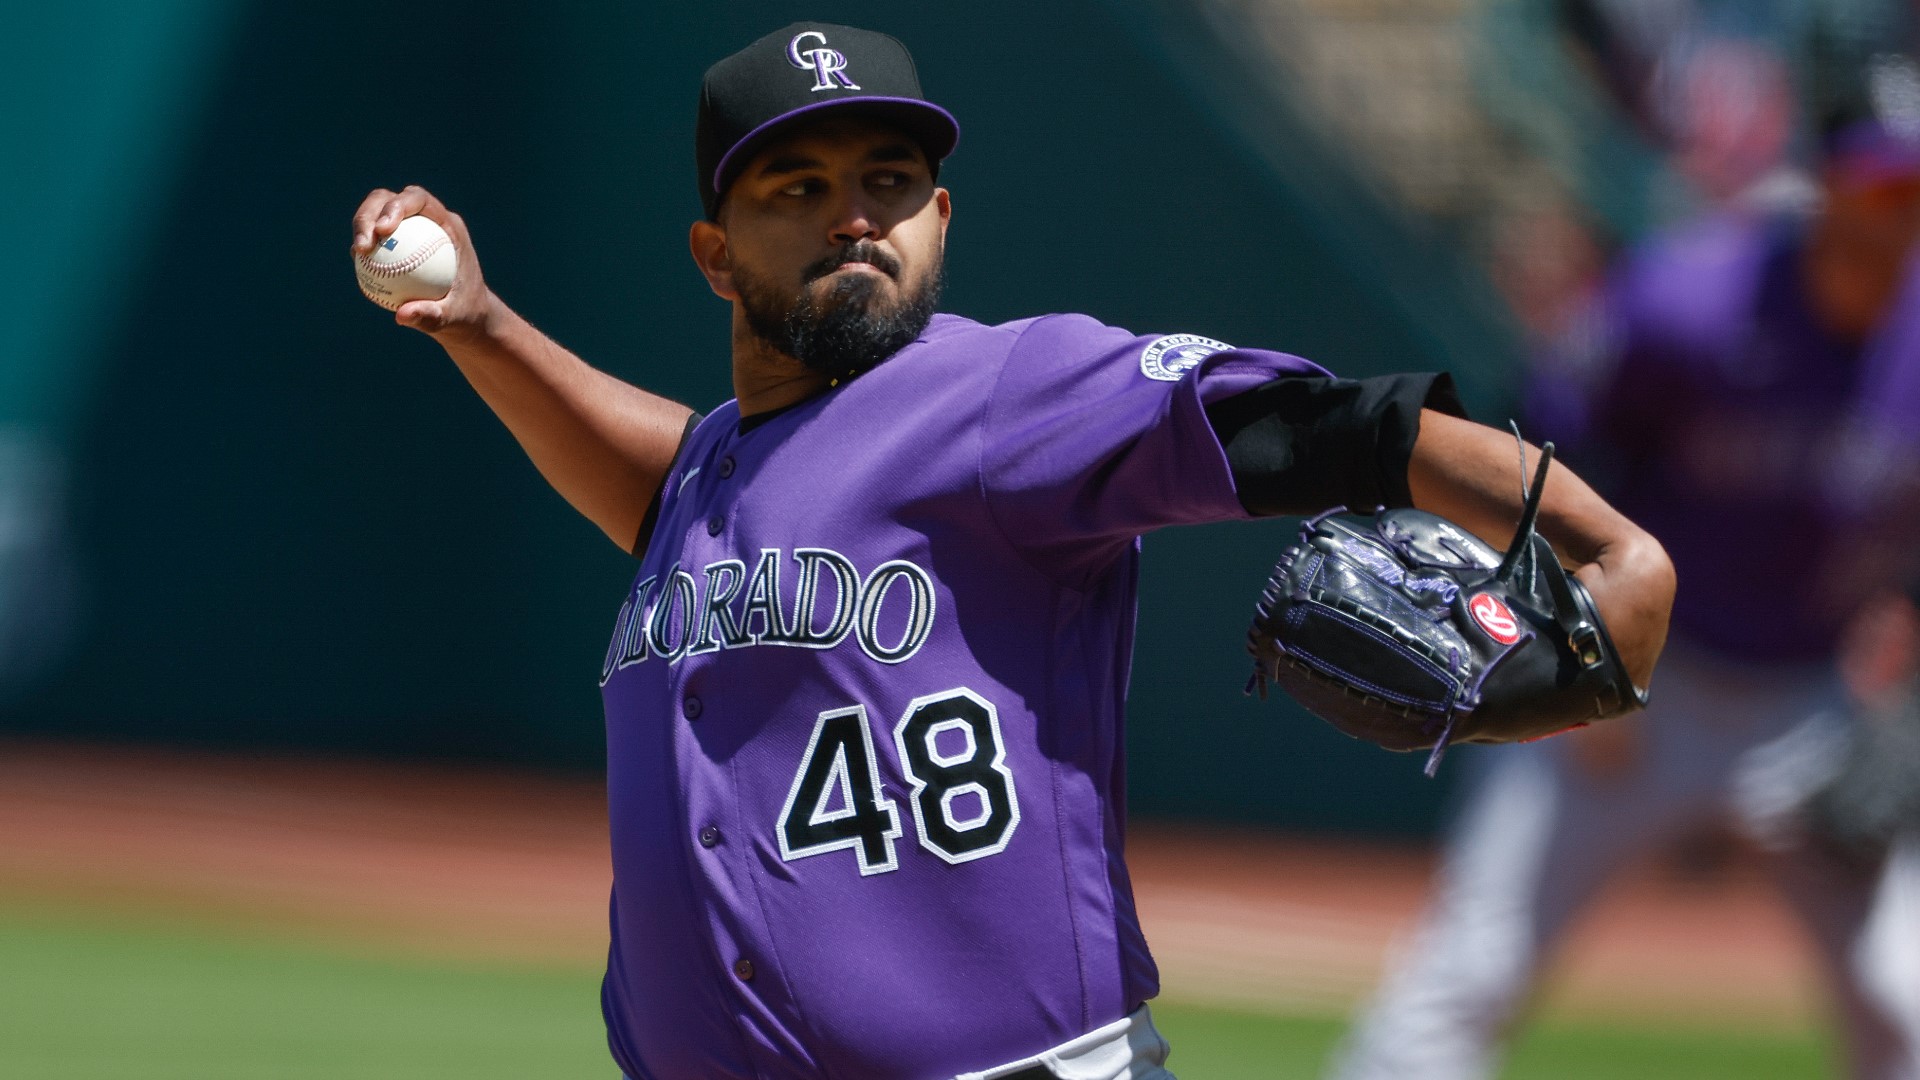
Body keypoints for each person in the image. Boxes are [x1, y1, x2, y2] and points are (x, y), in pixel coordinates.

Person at [349, 24, 1673, 1080]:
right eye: (797, 189)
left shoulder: (1006, 393)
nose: (854, 214)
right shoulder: (715, 477)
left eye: (889, 182)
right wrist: (479, 324)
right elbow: (670, 474)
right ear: (714, 255)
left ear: (940, 220)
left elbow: (1328, 430)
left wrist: (1608, 546)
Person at [1327, 116, 1920, 1080]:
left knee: (1904, 996)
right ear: (1831, 191)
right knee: (1472, 969)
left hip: (1811, 706)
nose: (1903, 218)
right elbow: (1543, 449)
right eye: (1887, 190)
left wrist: (1900, 620)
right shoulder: (1690, 298)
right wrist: (1562, 646)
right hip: (1634, 677)